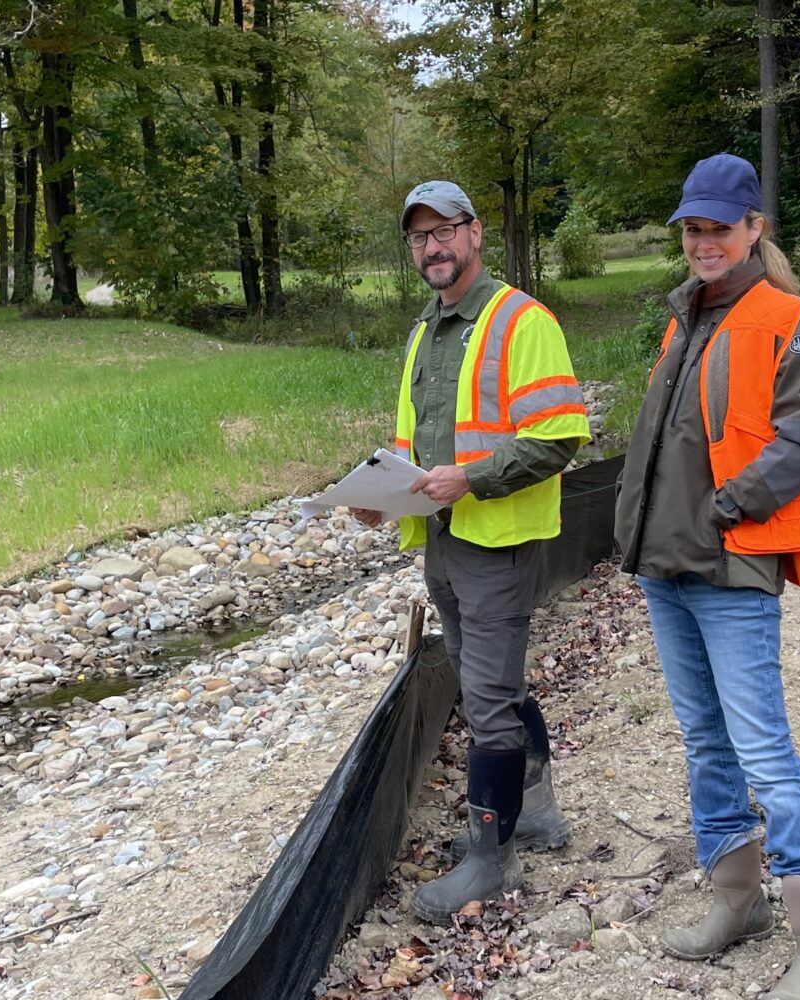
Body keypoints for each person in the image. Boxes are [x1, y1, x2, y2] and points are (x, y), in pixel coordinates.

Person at [614, 153, 800, 999]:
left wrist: (732, 505)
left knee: (764, 753)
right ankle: (737, 900)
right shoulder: (687, 319)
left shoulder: (778, 316)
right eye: (693, 227)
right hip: (664, 569)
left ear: (754, 229)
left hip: (727, 567)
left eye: (720, 226)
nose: (703, 240)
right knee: (705, 743)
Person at [350, 180, 590, 923]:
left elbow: (559, 437)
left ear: (475, 233)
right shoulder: (426, 333)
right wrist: (377, 495)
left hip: (499, 539)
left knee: (486, 701)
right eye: (419, 237)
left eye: (444, 231)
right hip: (443, 538)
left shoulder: (522, 320)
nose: (433, 247)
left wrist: (473, 479)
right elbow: (413, 447)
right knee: (497, 684)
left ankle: (492, 858)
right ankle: (539, 812)